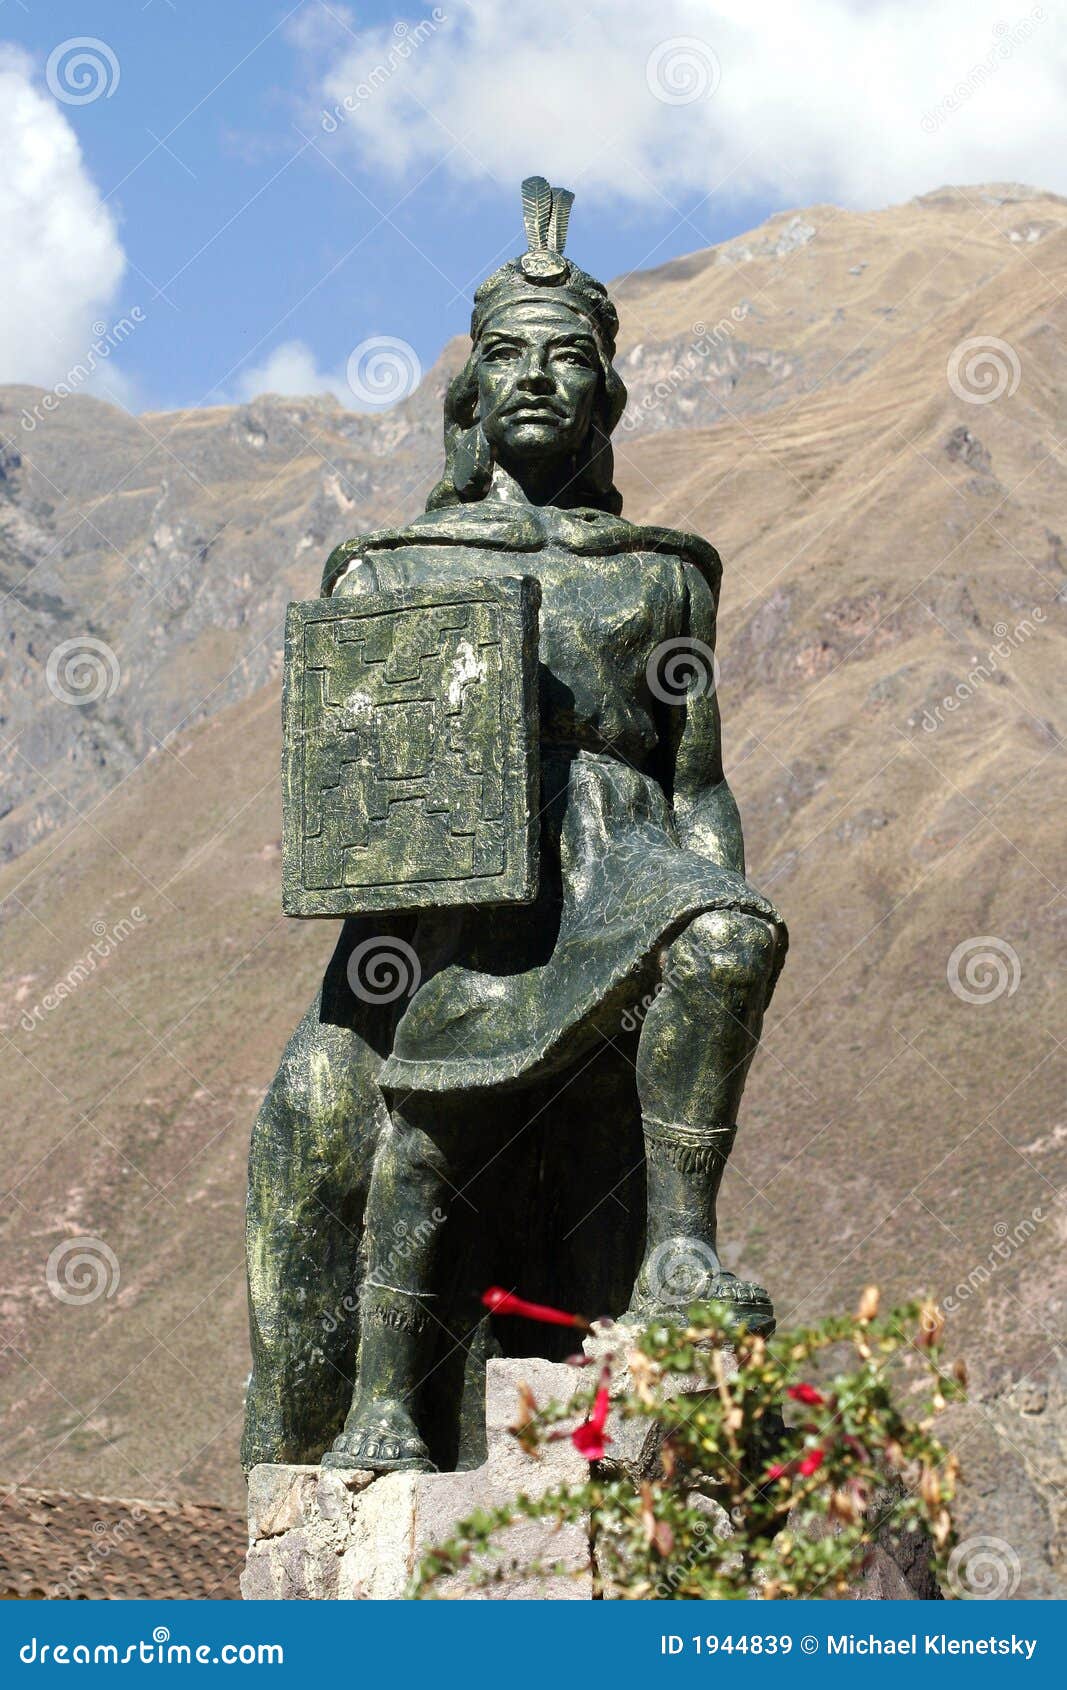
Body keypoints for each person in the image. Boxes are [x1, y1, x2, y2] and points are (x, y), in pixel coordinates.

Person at [243, 178, 787, 1477]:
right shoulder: (395, 573)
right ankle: (357, 1401)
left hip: (617, 874)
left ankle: (679, 1243)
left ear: (605, 398)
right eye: (507, 355)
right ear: (469, 396)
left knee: (731, 935)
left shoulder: (661, 575)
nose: (537, 378)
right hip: (451, 920)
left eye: (569, 360)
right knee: (334, 1101)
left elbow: (696, 775)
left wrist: (715, 903)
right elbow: (359, 799)